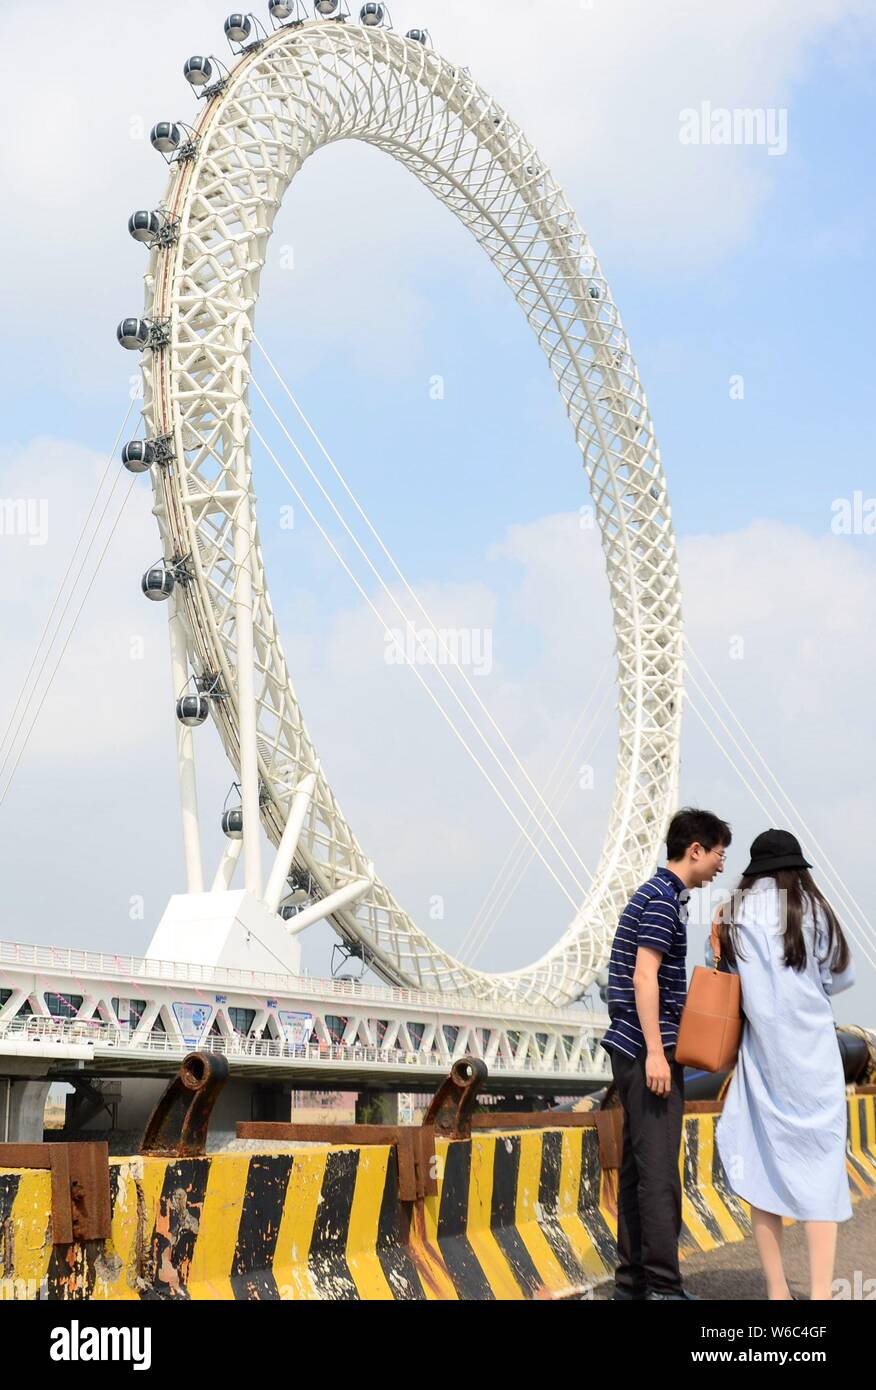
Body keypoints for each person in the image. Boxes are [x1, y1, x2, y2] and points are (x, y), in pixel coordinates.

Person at [707, 829, 855, 1301]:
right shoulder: (814, 911)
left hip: (763, 1065)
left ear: (755, 872)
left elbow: (722, 980)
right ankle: (820, 1294)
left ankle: (775, 1291)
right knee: (822, 1174)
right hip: (815, 1063)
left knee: (762, 1169)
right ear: (797, 868)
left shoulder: (732, 915)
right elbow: (842, 975)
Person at [600, 807, 732, 1301]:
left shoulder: (657, 897)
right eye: (719, 855)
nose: (720, 866)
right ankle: (663, 1288)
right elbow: (643, 976)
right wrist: (657, 1052)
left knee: (639, 1170)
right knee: (658, 1174)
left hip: (632, 1048)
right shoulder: (660, 901)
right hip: (645, 1049)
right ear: (695, 850)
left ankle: (633, 1285)